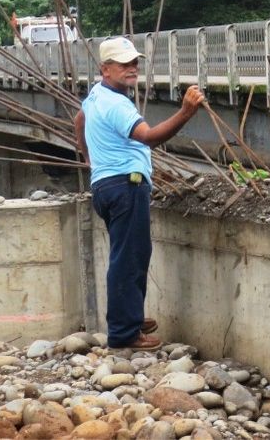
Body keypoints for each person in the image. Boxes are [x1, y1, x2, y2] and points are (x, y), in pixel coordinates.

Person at [74, 37, 205, 350]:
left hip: (106, 186)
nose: (131, 69)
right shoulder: (116, 104)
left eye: (134, 63)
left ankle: (128, 314)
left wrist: (87, 156)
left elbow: (79, 119)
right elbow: (148, 137)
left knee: (130, 254)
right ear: (105, 69)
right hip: (125, 186)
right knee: (129, 258)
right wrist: (185, 112)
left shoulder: (97, 94)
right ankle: (123, 332)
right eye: (123, 64)